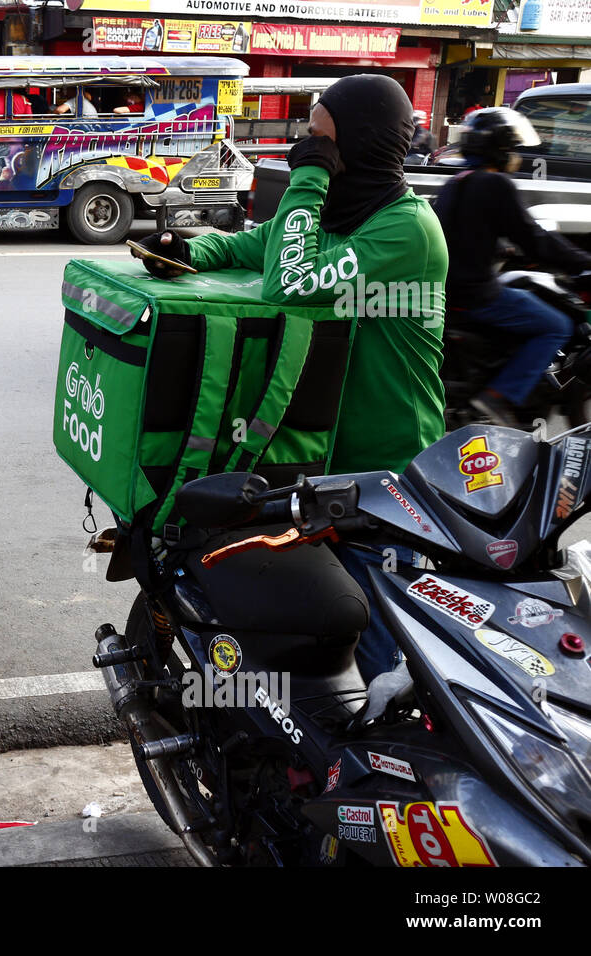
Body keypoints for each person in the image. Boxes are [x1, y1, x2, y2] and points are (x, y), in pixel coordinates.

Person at [134, 74, 449, 682]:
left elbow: (289, 282)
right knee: (320, 617)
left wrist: (306, 177)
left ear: (359, 145)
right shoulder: (335, 214)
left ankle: (389, 764)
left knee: (385, 647)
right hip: (319, 459)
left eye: (321, 142)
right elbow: (258, 246)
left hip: (390, 472)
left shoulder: (406, 229)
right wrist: (186, 250)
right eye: (308, 143)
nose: (309, 152)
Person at [434, 107, 591, 426]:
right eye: (512, 149)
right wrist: (583, 261)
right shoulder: (496, 185)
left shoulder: (457, 183)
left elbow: (468, 231)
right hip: (476, 295)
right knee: (556, 325)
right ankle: (500, 396)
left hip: (449, 290)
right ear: (500, 150)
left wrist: (502, 246)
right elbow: (534, 238)